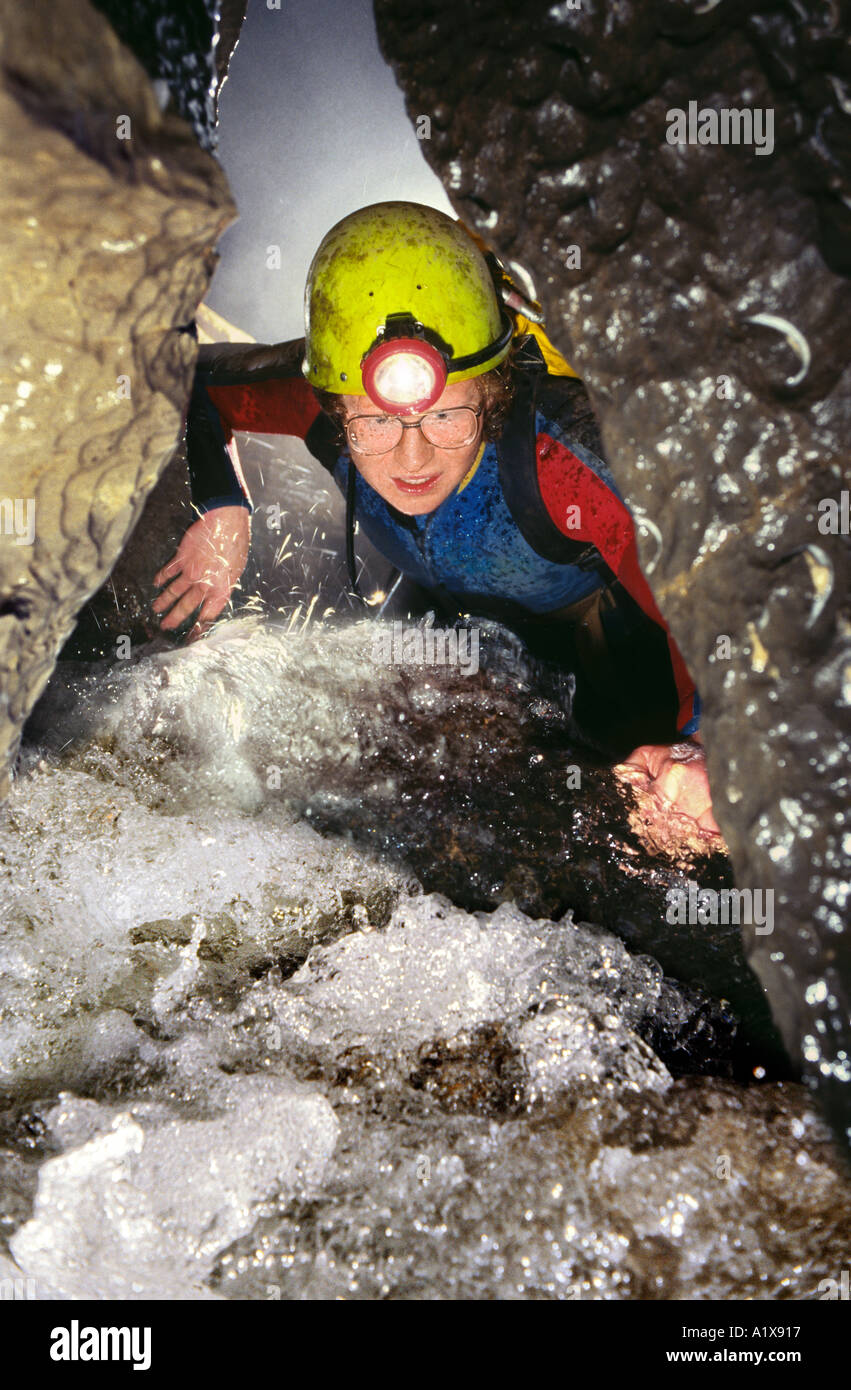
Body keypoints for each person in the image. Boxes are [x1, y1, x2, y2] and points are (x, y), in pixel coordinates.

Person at [154, 201, 719, 837]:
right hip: (439, 602)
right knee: (358, 769)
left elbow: (709, 588)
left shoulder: (567, 449)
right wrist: (224, 505)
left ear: (494, 391)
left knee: (641, 818)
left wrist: (705, 749)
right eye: (374, 422)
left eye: (448, 416)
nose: (413, 458)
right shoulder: (315, 395)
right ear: (334, 405)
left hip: (593, 626)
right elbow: (195, 379)